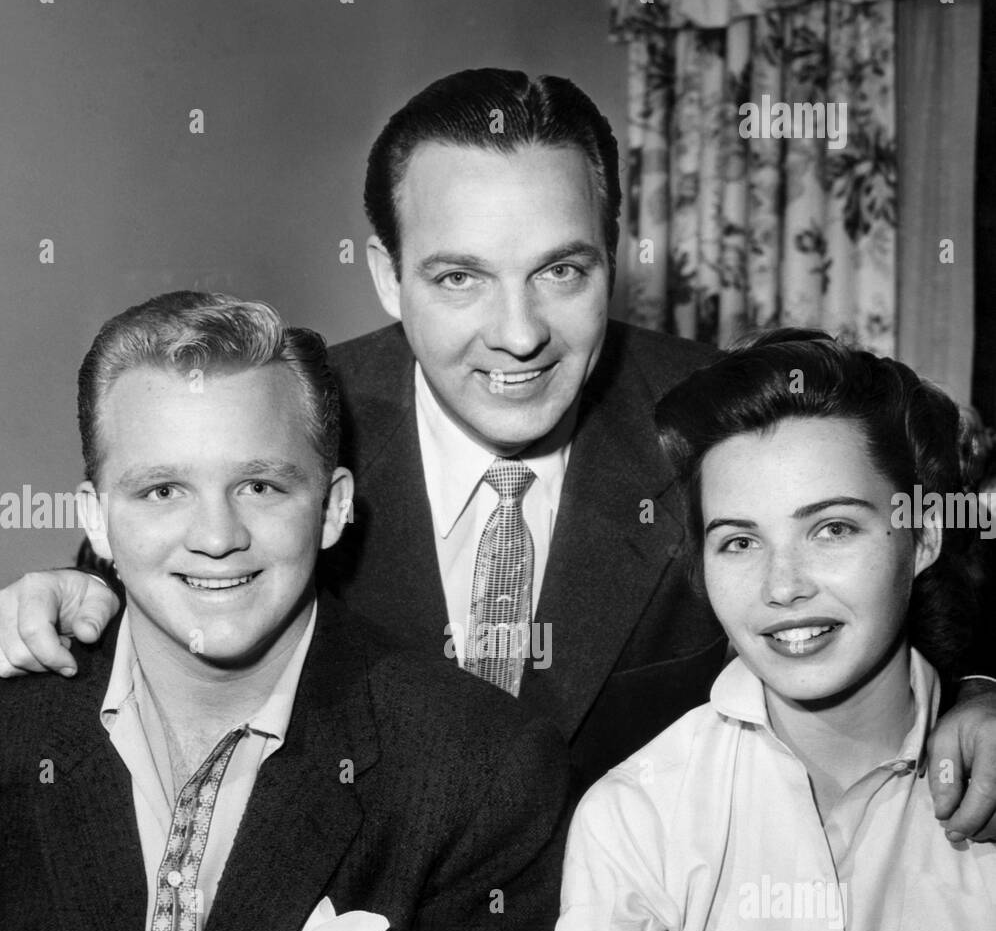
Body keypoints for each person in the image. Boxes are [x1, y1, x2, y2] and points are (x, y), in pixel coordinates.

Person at [5, 68, 996, 823]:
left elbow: (928, 576)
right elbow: (159, 564)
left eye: (562, 270)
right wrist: (59, 603)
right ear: (389, 278)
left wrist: (982, 691)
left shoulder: (731, 422)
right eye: (460, 278)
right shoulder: (290, 418)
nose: (518, 334)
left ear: (614, 253)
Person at [0, 291, 571, 931]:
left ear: (337, 502)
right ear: (93, 515)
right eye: (161, 490)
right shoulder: (17, 724)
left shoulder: (478, 762)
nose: (215, 536)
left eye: (262, 484)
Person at [499, 332, 996, 931]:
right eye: (739, 540)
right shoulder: (638, 815)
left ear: (923, 535)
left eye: (834, 528)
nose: (782, 585)